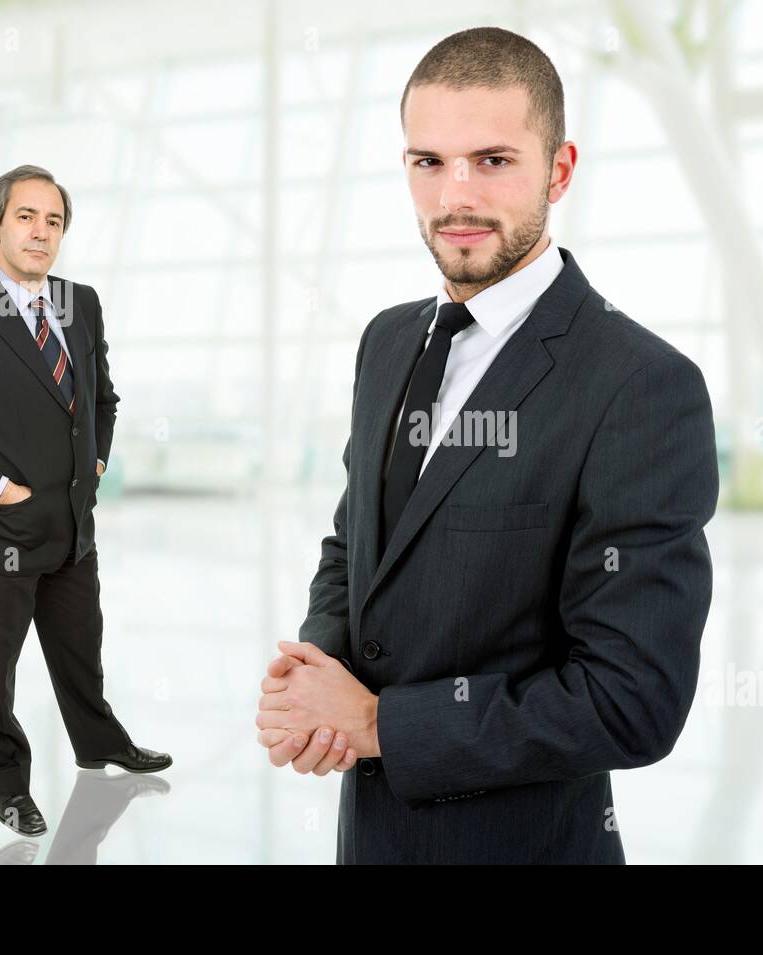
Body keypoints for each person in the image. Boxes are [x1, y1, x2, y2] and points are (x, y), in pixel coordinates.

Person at [255, 27, 719, 863]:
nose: (455, 196)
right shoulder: (386, 342)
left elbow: (632, 698)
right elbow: (356, 543)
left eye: (493, 160)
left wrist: (379, 723)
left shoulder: (641, 385)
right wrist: (314, 667)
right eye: (428, 162)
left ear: (560, 169)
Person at [0, 165, 170, 837]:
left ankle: (98, 741)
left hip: (74, 523)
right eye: (26, 217)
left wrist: (97, 460)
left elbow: (102, 396)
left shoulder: (81, 303)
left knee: (81, 646)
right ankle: (6, 781)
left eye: (53, 221)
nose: (40, 232)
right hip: (2, 531)